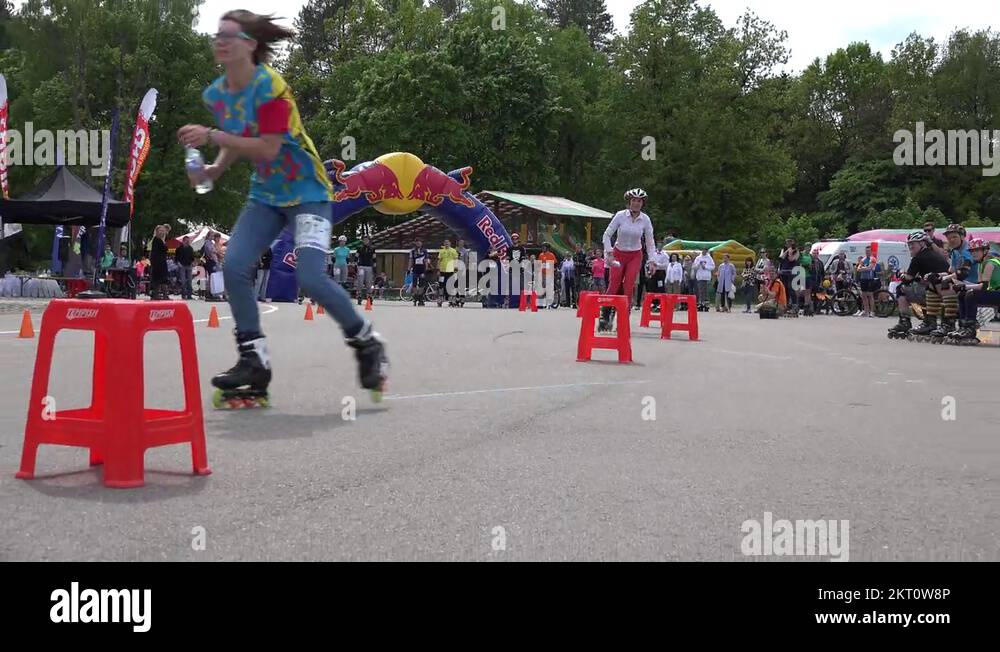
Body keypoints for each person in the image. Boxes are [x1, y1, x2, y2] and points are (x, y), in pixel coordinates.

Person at [177, 9, 387, 401]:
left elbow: (268, 145)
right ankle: (254, 359)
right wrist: (211, 170)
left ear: (251, 45)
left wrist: (210, 133)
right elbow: (235, 141)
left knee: (310, 277)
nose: (219, 40)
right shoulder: (217, 94)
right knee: (236, 266)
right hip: (266, 195)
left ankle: (366, 341)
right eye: (216, 34)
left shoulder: (270, 87)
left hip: (308, 191)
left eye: (229, 35)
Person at [598, 188, 656, 330]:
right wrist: (609, 251)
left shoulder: (645, 219)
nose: (636, 203)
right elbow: (606, 235)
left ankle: (623, 318)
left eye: (639, 201)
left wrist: (652, 260)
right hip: (618, 253)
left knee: (629, 286)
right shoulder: (620, 216)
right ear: (629, 202)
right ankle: (605, 316)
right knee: (614, 285)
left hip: (635, 255)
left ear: (643, 203)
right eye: (634, 200)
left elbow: (650, 242)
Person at [887, 231, 951, 340]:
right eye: (909, 244)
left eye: (913, 244)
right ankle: (930, 321)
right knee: (923, 288)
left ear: (922, 244)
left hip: (936, 290)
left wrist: (900, 273)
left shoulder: (918, 258)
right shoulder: (933, 254)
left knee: (901, 289)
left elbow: (908, 278)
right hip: (946, 288)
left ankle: (905, 322)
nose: (910, 246)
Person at [947, 238, 1000, 343]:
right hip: (995, 293)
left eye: (977, 251)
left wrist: (964, 286)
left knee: (971, 295)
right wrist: (960, 284)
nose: (973, 254)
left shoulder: (990, 263)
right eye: (972, 251)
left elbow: (983, 287)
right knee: (962, 294)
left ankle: (970, 329)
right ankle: (963, 326)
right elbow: (979, 285)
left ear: (985, 251)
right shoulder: (981, 264)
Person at [856, 245, 879, 318]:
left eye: (868, 251)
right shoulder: (863, 259)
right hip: (863, 279)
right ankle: (866, 311)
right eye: (866, 251)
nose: (867, 252)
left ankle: (872, 311)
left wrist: (863, 268)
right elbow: (858, 269)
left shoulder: (873, 259)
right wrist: (864, 268)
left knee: (870, 295)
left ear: (871, 251)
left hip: (870, 279)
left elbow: (870, 268)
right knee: (864, 295)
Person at [778, 238, 800, 309]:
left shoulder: (796, 251)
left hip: (792, 271)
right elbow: (781, 257)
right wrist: (787, 251)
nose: (788, 244)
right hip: (784, 271)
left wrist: (791, 252)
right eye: (787, 243)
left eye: (790, 243)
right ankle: (786, 303)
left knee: (791, 288)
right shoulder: (784, 250)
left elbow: (793, 259)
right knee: (785, 288)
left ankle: (794, 304)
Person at [437, 238, 459, 306]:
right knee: (441, 285)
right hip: (442, 271)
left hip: (450, 271)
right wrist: (438, 269)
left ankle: (451, 299)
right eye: (445, 242)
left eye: (447, 242)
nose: (446, 243)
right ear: (443, 244)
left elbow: (456, 260)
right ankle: (440, 298)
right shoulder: (441, 251)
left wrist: (455, 269)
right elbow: (439, 260)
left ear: (450, 243)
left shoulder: (453, 251)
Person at [149, 225, 169, 300]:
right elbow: (163, 249)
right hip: (158, 262)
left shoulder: (161, 240)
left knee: (161, 279)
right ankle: (159, 295)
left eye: (162, 231)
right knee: (159, 279)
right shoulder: (157, 240)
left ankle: (160, 295)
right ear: (156, 231)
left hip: (162, 261)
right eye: (160, 230)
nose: (162, 232)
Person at [355, 235, 376, 306]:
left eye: (367, 240)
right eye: (364, 240)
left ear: (369, 241)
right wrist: (355, 264)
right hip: (361, 266)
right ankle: (359, 295)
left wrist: (374, 266)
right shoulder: (359, 248)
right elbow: (356, 256)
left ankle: (369, 296)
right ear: (362, 241)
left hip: (369, 266)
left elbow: (374, 258)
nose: (365, 241)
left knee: (368, 282)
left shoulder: (372, 248)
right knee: (360, 281)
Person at [175, 235, 196, 300]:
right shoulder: (179, 248)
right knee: (183, 281)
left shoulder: (190, 248)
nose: (188, 242)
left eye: (188, 241)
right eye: (186, 241)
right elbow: (176, 258)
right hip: (182, 265)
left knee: (190, 281)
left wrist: (193, 263)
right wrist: (178, 263)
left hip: (189, 265)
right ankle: (183, 295)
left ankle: (189, 295)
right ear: (183, 241)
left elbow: (192, 258)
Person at [203, 232, 222, 300]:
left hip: (212, 261)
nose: (213, 237)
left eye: (213, 236)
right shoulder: (208, 243)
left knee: (212, 278)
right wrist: (216, 252)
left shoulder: (210, 243)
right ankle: (210, 294)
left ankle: (210, 293)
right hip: (211, 262)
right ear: (208, 236)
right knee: (212, 278)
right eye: (212, 236)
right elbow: (210, 251)